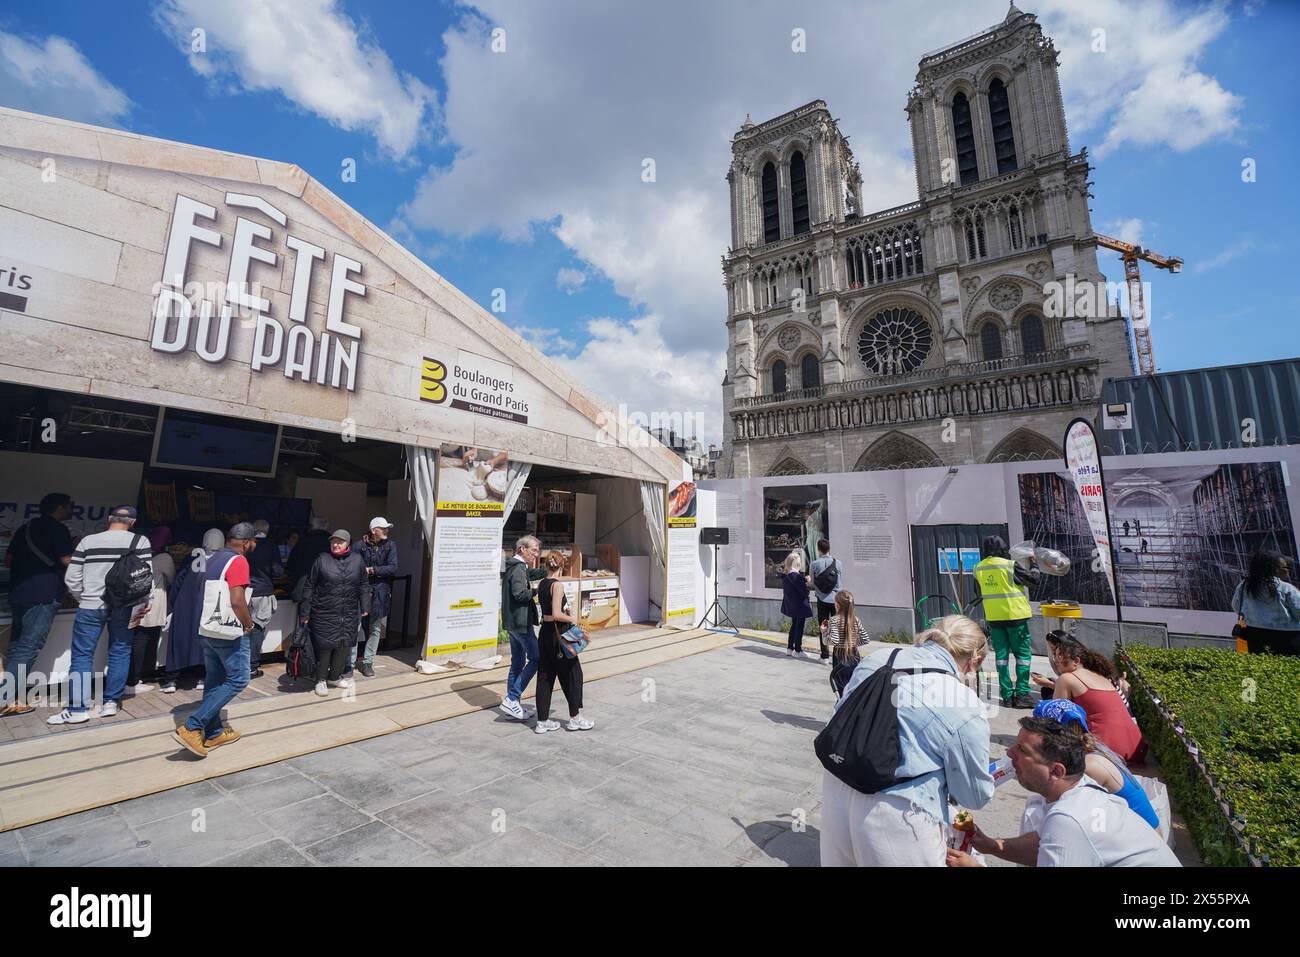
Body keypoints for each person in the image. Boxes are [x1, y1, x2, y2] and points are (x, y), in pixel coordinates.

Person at [821, 615, 994, 867]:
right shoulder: (963, 703)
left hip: (837, 788)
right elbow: (973, 796)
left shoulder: (878, 658)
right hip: (900, 812)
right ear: (974, 661)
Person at [947, 717, 1179, 867]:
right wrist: (989, 845)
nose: (1009, 755)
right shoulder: (1081, 789)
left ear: (1056, 771)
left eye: (1021, 750)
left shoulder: (1069, 818)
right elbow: (1041, 845)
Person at [47, 506, 153, 725]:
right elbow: (145, 578)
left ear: (108, 520)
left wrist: (83, 597)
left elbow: (72, 577)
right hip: (125, 606)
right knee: (120, 651)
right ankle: (111, 702)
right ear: (132, 523)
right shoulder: (140, 542)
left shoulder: (87, 541)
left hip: (90, 606)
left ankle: (77, 708)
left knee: (82, 655)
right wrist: (145, 602)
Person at [171, 524, 259, 757]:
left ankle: (214, 732)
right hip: (228, 631)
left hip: (207, 628)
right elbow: (237, 600)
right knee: (239, 679)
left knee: (215, 680)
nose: (255, 545)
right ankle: (192, 726)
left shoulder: (211, 558)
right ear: (246, 541)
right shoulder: (238, 561)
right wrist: (248, 625)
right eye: (254, 542)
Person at [2, 492, 75, 717]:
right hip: (43, 594)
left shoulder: (25, 528)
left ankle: (13, 694)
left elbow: (8, 560)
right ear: (60, 508)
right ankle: (5, 700)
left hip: (19, 593)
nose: (72, 509)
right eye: (70, 506)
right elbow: (66, 561)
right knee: (28, 647)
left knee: (17, 646)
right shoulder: (58, 530)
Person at [1032, 632, 1146, 764]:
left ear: (1076, 661)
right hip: (1136, 749)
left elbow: (1054, 720)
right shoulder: (1100, 675)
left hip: (1107, 751)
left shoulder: (1067, 678)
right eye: (1055, 655)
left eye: (1061, 656)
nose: (1056, 660)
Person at [973, 535, 1040, 709]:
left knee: (1001, 658)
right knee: (1023, 657)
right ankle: (1022, 694)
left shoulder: (978, 568)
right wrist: (1033, 563)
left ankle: (1007, 696)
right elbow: (1033, 580)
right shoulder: (1009, 565)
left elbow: (978, 592)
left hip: (995, 619)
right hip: (1015, 618)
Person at [301, 529, 369, 697]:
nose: (335, 544)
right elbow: (310, 585)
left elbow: (363, 585)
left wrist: (365, 605)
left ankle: (334, 677)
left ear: (348, 544)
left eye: (339, 542)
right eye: (333, 542)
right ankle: (321, 680)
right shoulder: (322, 560)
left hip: (349, 612)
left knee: (344, 646)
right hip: (324, 612)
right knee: (325, 646)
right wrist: (305, 611)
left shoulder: (357, 560)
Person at [534, 551, 593, 733]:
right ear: (561, 566)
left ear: (546, 565)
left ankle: (542, 721)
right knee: (574, 675)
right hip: (558, 634)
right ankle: (575, 718)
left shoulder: (542, 583)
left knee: (545, 676)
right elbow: (557, 613)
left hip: (545, 633)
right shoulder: (556, 586)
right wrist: (572, 619)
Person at [161, 528, 223, 693]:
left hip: (185, 604)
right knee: (205, 642)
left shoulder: (193, 556)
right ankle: (202, 678)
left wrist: (172, 606)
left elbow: (178, 581)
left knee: (178, 641)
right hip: (209, 605)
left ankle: (171, 680)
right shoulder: (223, 560)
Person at [124, 527, 176, 696]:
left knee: (138, 639)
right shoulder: (163, 557)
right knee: (145, 640)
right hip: (153, 604)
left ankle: (137, 677)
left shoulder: (136, 554)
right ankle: (134, 679)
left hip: (134, 601)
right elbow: (172, 577)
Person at [499, 534, 546, 719]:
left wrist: (545, 571)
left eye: (538, 550)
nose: (536, 554)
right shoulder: (518, 568)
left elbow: (529, 575)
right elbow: (520, 593)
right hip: (520, 622)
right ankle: (512, 698)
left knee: (517, 662)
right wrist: (537, 590)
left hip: (512, 622)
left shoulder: (517, 567)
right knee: (536, 658)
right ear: (522, 549)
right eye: (533, 550)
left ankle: (512, 707)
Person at [352, 517, 400, 678]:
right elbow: (352, 566)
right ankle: (349, 663)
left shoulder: (390, 545)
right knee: (355, 627)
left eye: (387, 528)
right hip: (361, 591)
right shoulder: (359, 546)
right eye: (383, 528)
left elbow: (393, 568)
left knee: (375, 628)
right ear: (374, 531)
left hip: (380, 592)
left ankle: (368, 662)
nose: (386, 530)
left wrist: (372, 570)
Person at [1230, 550, 1300, 655]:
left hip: (1254, 636)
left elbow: (1236, 607)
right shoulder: (1287, 589)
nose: (1288, 571)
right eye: (1286, 568)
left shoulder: (1245, 586)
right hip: (1288, 637)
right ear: (1275, 569)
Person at [246, 519, 282, 679]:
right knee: (257, 628)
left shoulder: (245, 544)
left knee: (241, 629)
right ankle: (252, 666)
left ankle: (240, 663)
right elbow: (277, 572)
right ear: (267, 531)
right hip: (263, 592)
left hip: (243, 591)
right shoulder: (271, 547)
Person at [822, 589, 868, 699]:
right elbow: (865, 639)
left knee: (840, 687)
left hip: (840, 655)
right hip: (854, 655)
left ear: (837, 605)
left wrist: (824, 632)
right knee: (852, 685)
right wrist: (852, 643)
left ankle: (841, 709)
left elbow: (834, 641)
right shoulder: (856, 619)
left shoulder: (834, 620)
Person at [809, 538, 842, 663]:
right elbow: (838, 583)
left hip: (821, 599)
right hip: (836, 600)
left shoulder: (814, 564)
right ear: (829, 549)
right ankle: (837, 657)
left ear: (818, 549)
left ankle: (824, 656)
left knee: (824, 627)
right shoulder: (838, 563)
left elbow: (812, 583)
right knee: (836, 628)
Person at [780, 550, 813, 658]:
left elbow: (795, 584)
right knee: (799, 627)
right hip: (800, 606)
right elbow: (804, 592)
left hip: (792, 605)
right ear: (797, 563)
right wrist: (807, 584)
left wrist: (803, 580)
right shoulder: (796, 576)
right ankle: (798, 650)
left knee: (794, 625)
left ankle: (790, 648)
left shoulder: (786, 576)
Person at [287, 516, 331, 594]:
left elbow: (291, 564)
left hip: (304, 584)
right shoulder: (332, 543)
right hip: (326, 586)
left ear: (313, 526)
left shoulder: (303, 541)